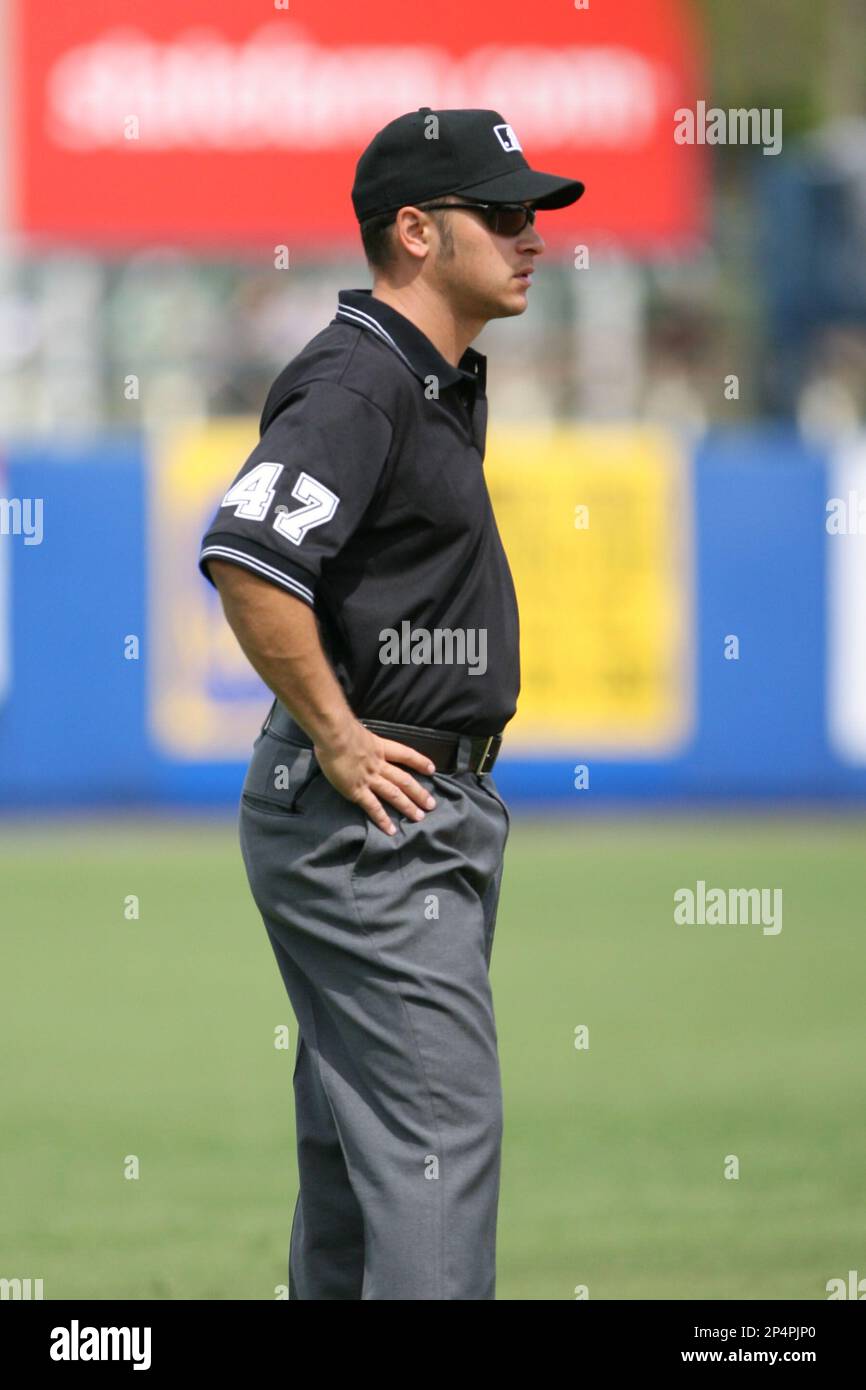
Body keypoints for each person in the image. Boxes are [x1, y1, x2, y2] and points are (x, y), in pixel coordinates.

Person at [198, 107, 584, 1300]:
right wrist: (340, 735)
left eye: (536, 215)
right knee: (431, 1144)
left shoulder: (422, 372)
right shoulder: (360, 374)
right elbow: (249, 557)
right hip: (373, 821)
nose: (532, 238)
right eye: (505, 214)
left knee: (363, 1159)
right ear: (414, 231)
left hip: (399, 812)